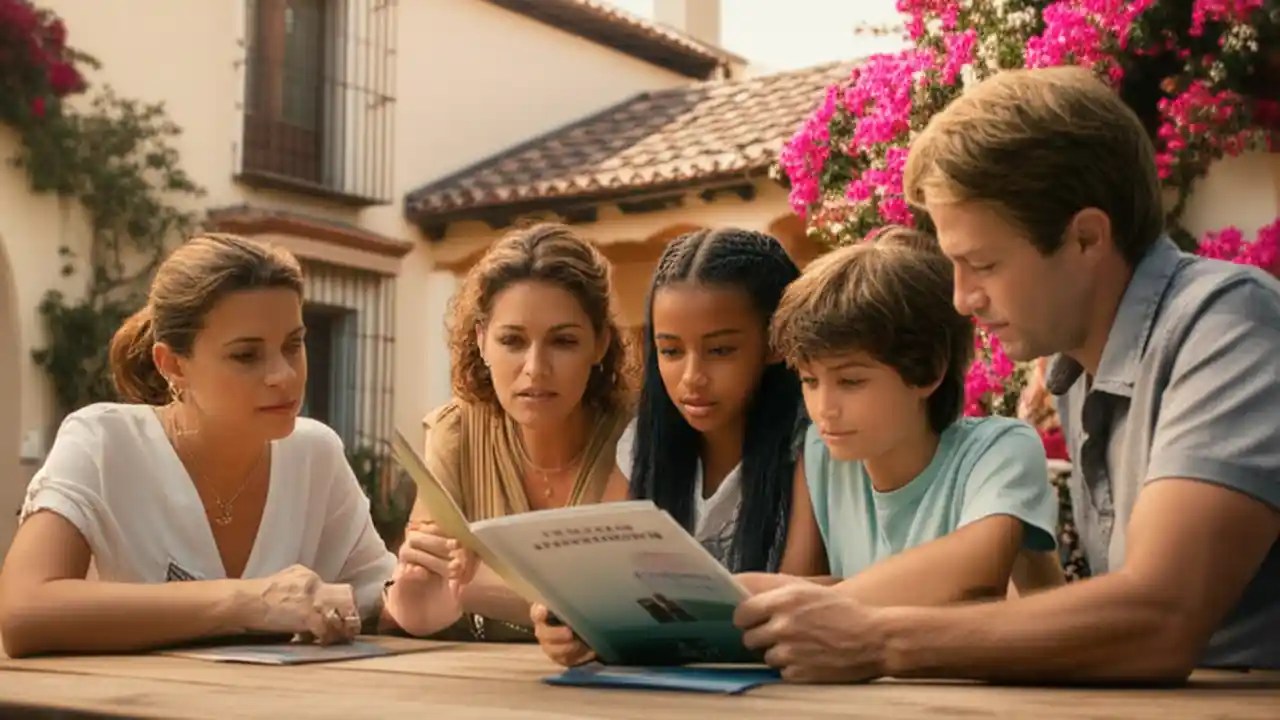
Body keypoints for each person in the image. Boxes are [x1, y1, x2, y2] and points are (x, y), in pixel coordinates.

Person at [734, 65, 1280, 683]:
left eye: (984, 264)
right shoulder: (1083, 370)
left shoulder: (1228, 324)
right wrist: (785, 607)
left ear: (1086, 238)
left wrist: (878, 638)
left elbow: (1159, 616)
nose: (963, 299)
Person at [0, 234, 395, 658]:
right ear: (172, 364)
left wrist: (422, 591)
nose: (284, 375)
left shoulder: (316, 454)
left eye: (293, 345)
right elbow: (24, 611)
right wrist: (248, 602)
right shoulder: (103, 442)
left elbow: (378, 596)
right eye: (246, 355)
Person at [532, 227, 807, 667]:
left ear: (775, 342)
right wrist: (571, 623)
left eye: (720, 350)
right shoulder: (643, 443)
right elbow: (602, 574)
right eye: (671, 351)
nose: (692, 376)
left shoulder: (806, 446)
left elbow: (798, 598)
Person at [762, 226, 1060, 605]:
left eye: (851, 381)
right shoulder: (822, 450)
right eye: (809, 380)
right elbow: (795, 590)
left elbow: (976, 570)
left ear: (926, 371)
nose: (824, 407)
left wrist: (808, 599)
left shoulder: (999, 450)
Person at [384, 223, 632, 641]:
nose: (535, 368)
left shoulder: (634, 436)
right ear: (481, 340)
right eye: (513, 341)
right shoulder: (456, 432)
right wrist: (414, 595)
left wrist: (472, 584)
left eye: (564, 342)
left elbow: (613, 602)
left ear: (600, 344)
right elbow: (426, 584)